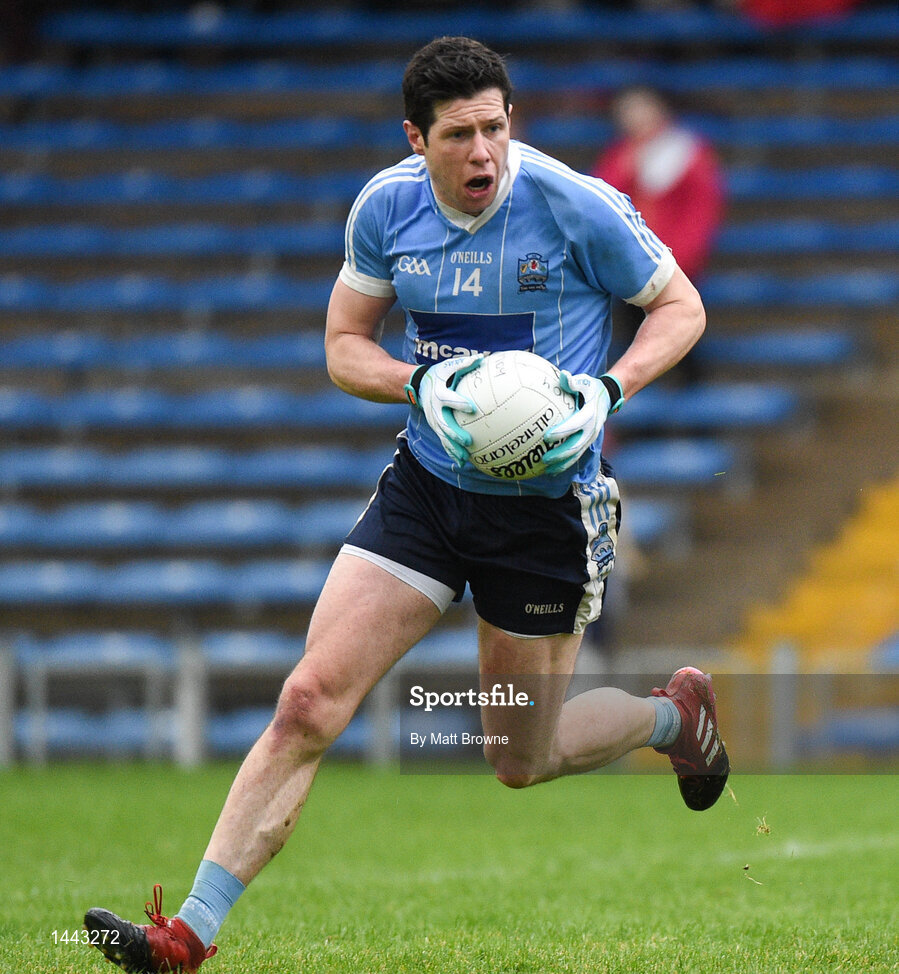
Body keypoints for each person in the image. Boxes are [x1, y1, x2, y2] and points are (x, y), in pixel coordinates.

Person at [84, 36, 729, 974]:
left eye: (496, 129)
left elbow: (681, 306)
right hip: (427, 487)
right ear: (414, 139)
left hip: (544, 510)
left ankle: (674, 717)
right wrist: (415, 387)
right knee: (308, 699)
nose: (483, 154)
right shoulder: (386, 210)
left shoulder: (573, 205)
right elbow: (344, 342)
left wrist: (607, 392)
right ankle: (186, 935)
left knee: (520, 757)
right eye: (460, 135)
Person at [592, 84, 724, 381]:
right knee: (634, 342)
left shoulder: (687, 151)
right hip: (630, 267)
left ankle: (693, 416)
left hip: (676, 264)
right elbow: (602, 200)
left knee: (682, 338)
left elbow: (701, 209)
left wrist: (683, 257)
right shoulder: (621, 155)